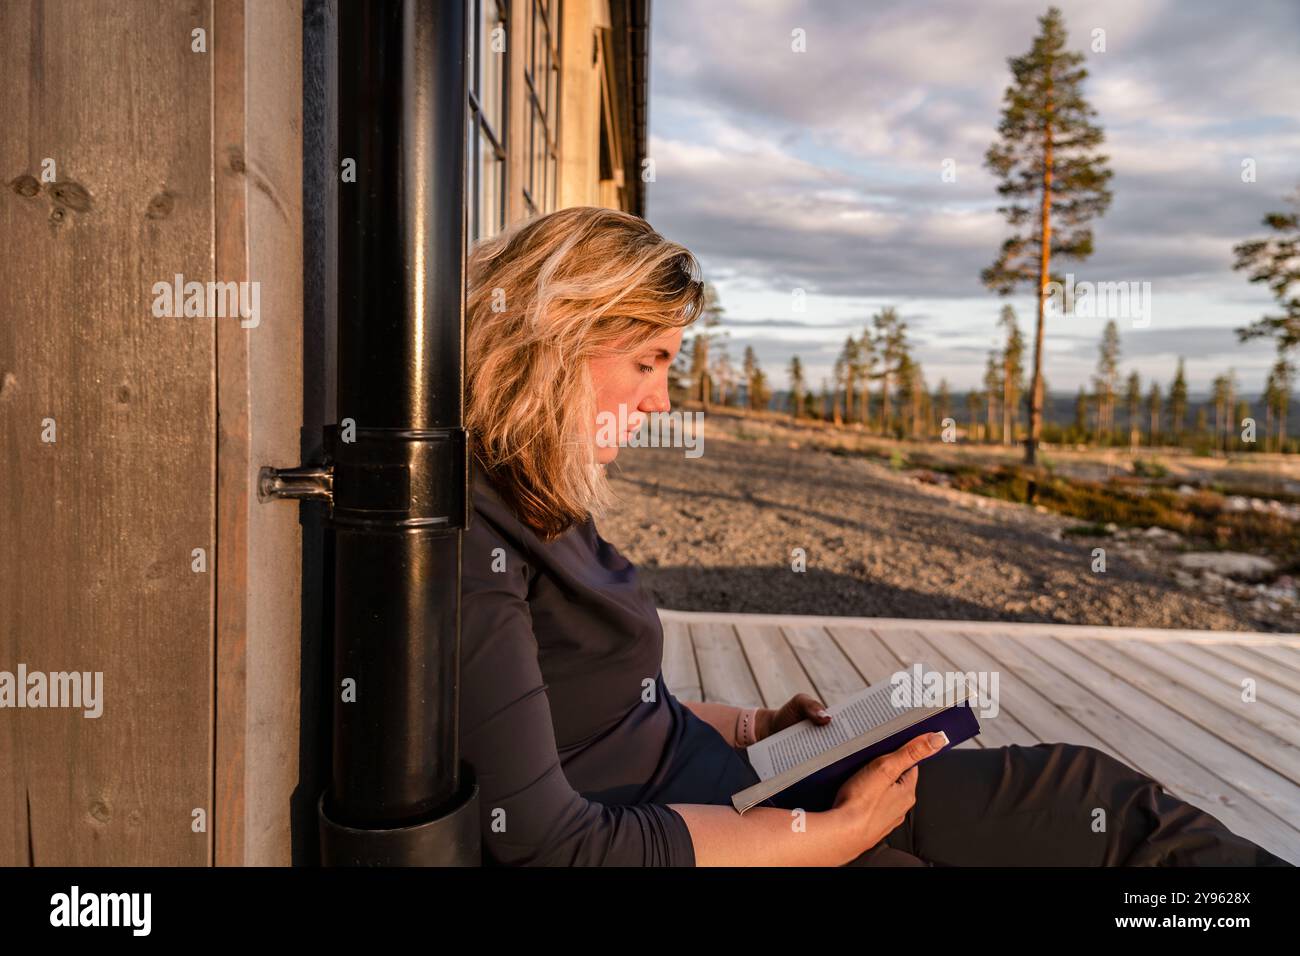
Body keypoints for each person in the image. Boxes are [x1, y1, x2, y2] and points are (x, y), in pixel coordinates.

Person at [459, 205, 1292, 867]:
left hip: (742, 786)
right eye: (649, 359)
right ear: (557, 336)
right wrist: (827, 838)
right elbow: (549, 844)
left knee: (1091, 793)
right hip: (714, 831)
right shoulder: (467, 534)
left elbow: (595, 713)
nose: (660, 401)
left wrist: (755, 726)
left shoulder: (533, 488)